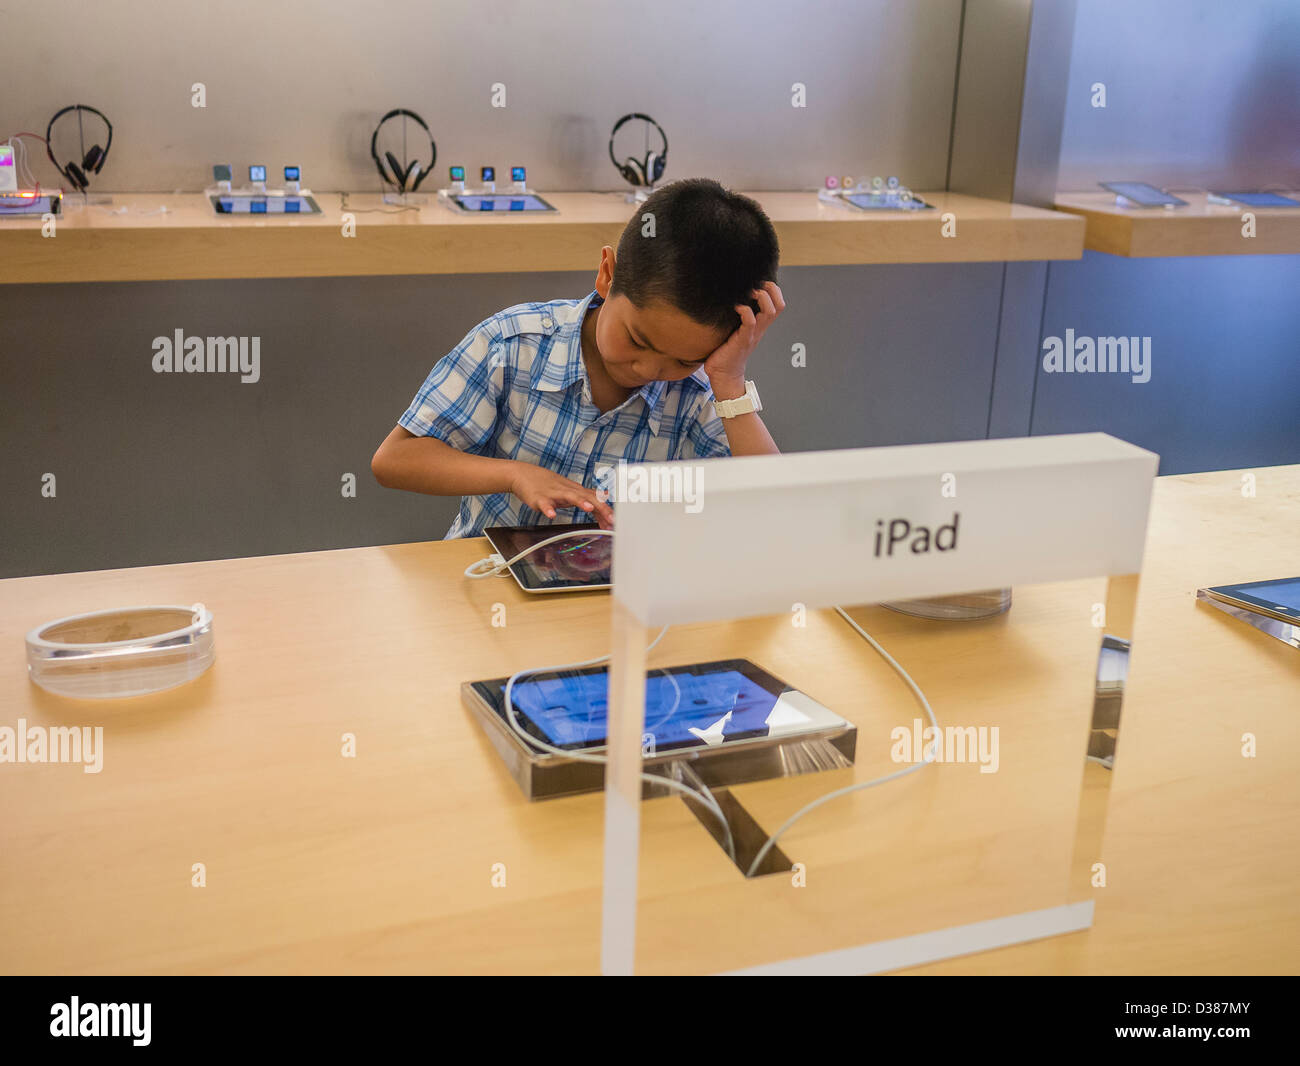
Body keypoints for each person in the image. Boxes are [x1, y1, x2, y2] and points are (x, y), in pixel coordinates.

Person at [371, 177, 784, 537]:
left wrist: (729, 380)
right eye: (638, 340)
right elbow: (395, 460)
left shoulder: (703, 392)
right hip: (489, 584)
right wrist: (515, 475)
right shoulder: (513, 344)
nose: (649, 369)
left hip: (615, 604)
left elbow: (774, 511)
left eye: (682, 361)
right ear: (608, 274)